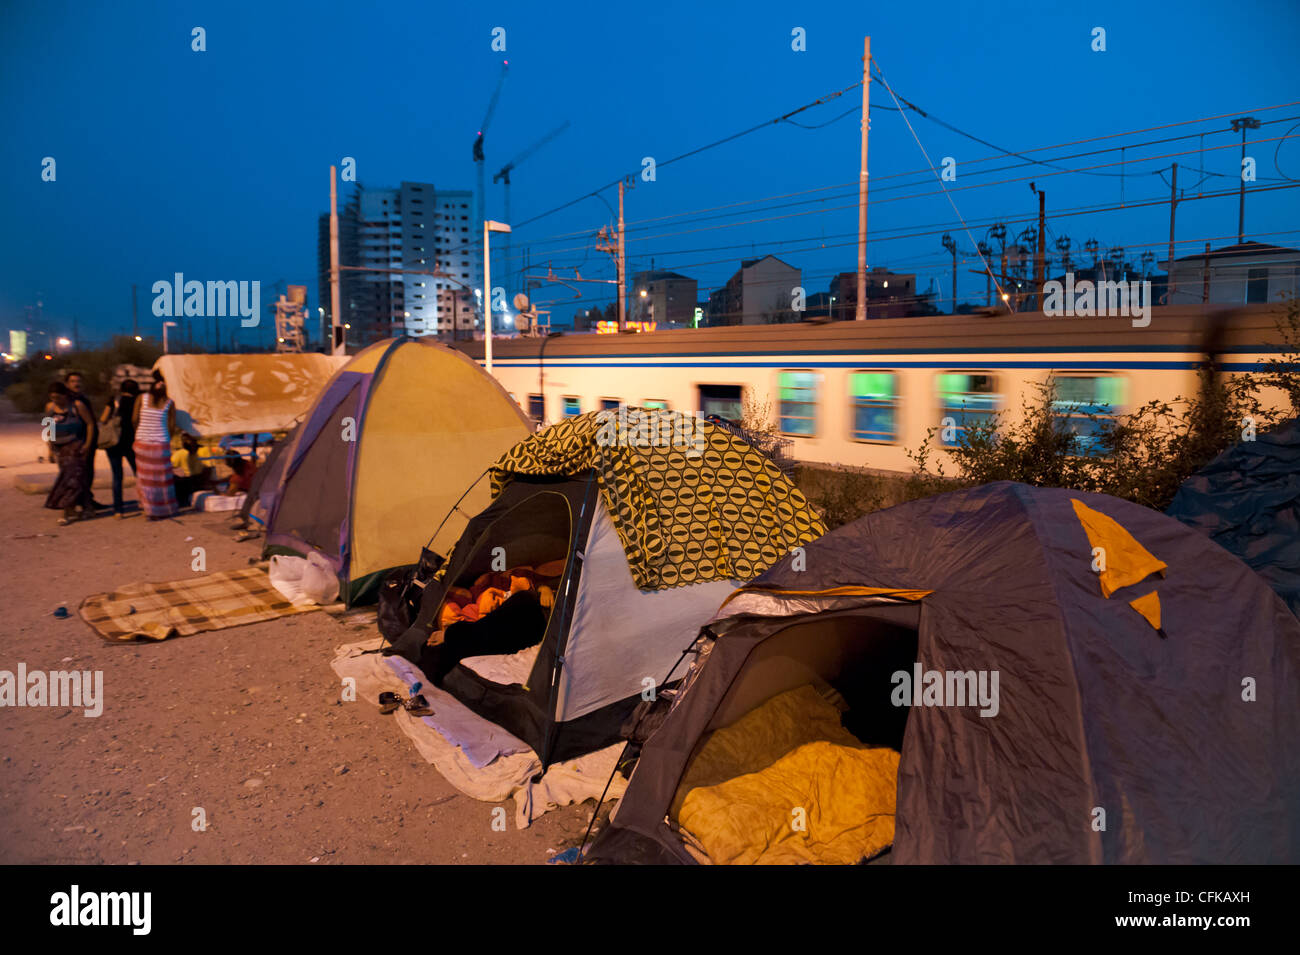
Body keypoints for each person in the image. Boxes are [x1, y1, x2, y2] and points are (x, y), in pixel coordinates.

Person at [43, 381, 95, 525]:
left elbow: (90, 424)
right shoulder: (50, 407)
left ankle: (65, 509)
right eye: (53, 397)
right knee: (75, 478)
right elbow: (48, 427)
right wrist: (49, 448)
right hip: (59, 447)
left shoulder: (77, 406)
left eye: (58, 397)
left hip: (75, 445)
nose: (56, 400)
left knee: (69, 478)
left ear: (65, 395)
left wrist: (87, 444)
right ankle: (87, 507)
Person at [132, 375, 178, 519]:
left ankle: (149, 509)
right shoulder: (169, 403)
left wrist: (139, 432)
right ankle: (164, 509)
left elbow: (134, 419)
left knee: (145, 478)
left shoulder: (142, 398)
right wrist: (166, 438)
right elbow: (171, 426)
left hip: (142, 443)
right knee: (162, 478)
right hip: (161, 444)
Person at [100, 379, 139, 518]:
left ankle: (118, 510)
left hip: (113, 443)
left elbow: (103, 419)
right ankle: (145, 503)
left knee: (117, 476)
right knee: (139, 474)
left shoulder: (114, 400)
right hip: (131, 443)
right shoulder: (138, 402)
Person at [65, 370, 102, 513]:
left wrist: (90, 442)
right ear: (67, 384)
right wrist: (49, 442)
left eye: (78, 381)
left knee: (88, 472)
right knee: (74, 474)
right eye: (73, 381)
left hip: (88, 441)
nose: (76, 384)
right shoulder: (67, 400)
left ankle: (87, 500)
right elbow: (48, 421)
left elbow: (91, 423)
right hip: (73, 442)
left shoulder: (83, 399)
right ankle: (75, 503)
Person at [171, 432, 211, 507]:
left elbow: (208, 469)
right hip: (188, 480)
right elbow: (170, 466)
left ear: (194, 440)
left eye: (187, 440)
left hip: (200, 479)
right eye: (183, 440)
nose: (184, 442)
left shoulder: (203, 450)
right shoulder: (181, 453)